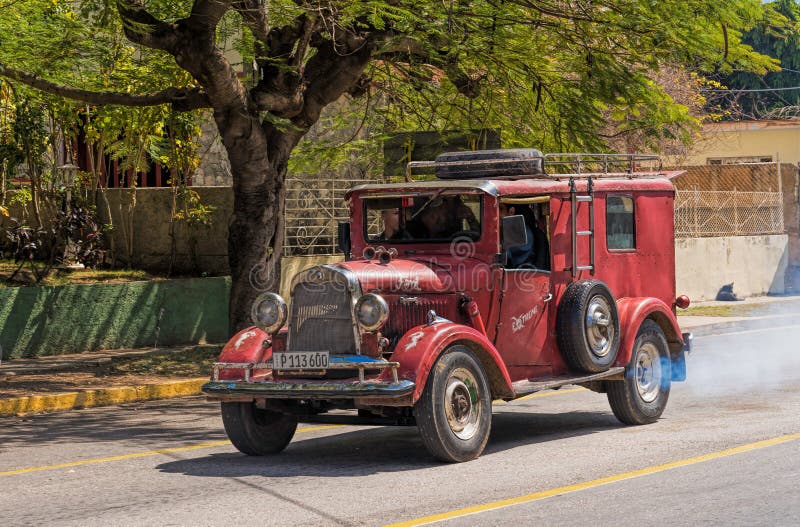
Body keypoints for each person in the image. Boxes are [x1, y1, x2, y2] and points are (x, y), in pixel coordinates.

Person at [499, 202, 535, 268]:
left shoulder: (522, 231)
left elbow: (507, 256)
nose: (496, 214)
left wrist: (499, 248)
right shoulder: (505, 229)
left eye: (500, 209)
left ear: (511, 212)